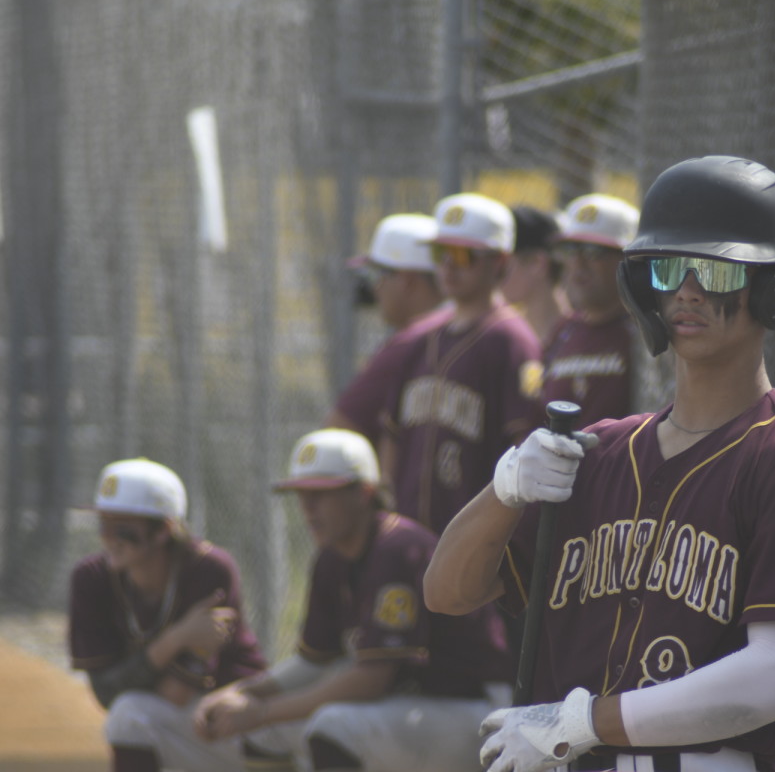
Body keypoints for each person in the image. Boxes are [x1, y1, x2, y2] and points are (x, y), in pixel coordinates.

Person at [425, 155, 775, 772]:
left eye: (714, 270)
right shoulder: (598, 453)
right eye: (667, 269)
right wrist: (505, 490)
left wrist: (582, 723)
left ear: (770, 285)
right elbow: (447, 593)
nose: (687, 291)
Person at [192, 428, 511, 771]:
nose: (307, 507)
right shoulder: (332, 558)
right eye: (301, 494)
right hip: (410, 707)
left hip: (478, 710)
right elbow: (312, 662)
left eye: (321, 493)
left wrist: (262, 711)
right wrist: (243, 694)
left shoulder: (397, 549)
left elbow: (371, 680)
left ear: (364, 493)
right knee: (266, 731)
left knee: (333, 725)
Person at [68, 457, 266, 772]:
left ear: (163, 529)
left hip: (240, 728)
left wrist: (137, 674)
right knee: (128, 714)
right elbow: (106, 693)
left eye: (122, 528)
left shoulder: (208, 570)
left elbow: (178, 692)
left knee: (132, 712)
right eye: (103, 524)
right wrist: (177, 638)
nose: (108, 537)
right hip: (176, 726)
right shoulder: (91, 578)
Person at [380, 192, 544, 535]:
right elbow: (392, 435)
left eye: (463, 255)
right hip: (410, 538)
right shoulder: (421, 338)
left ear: (499, 262)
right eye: (441, 253)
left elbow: (524, 448)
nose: (448, 265)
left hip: (475, 541)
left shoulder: (512, 342)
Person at [325, 213, 445, 449]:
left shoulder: (406, 345)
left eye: (377, 274)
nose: (375, 288)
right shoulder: (474, 333)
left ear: (407, 280)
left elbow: (338, 431)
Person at [540, 193, 641, 426]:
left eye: (592, 250)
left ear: (629, 260)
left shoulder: (647, 334)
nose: (578, 263)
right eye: (570, 249)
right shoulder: (563, 331)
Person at [501, 205, 570, 345]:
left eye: (503, 264)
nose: (494, 273)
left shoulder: (577, 335)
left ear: (537, 263)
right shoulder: (507, 334)